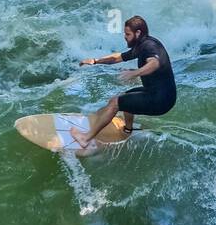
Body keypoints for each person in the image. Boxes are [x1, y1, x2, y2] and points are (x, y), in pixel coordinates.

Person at [74, 16, 177, 150]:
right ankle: (128, 130)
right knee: (123, 97)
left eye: (127, 34)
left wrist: (135, 73)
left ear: (138, 33)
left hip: (160, 99)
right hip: (157, 93)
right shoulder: (141, 45)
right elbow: (117, 57)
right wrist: (95, 61)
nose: (125, 36)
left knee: (115, 103)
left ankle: (85, 138)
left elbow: (154, 63)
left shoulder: (149, 46)